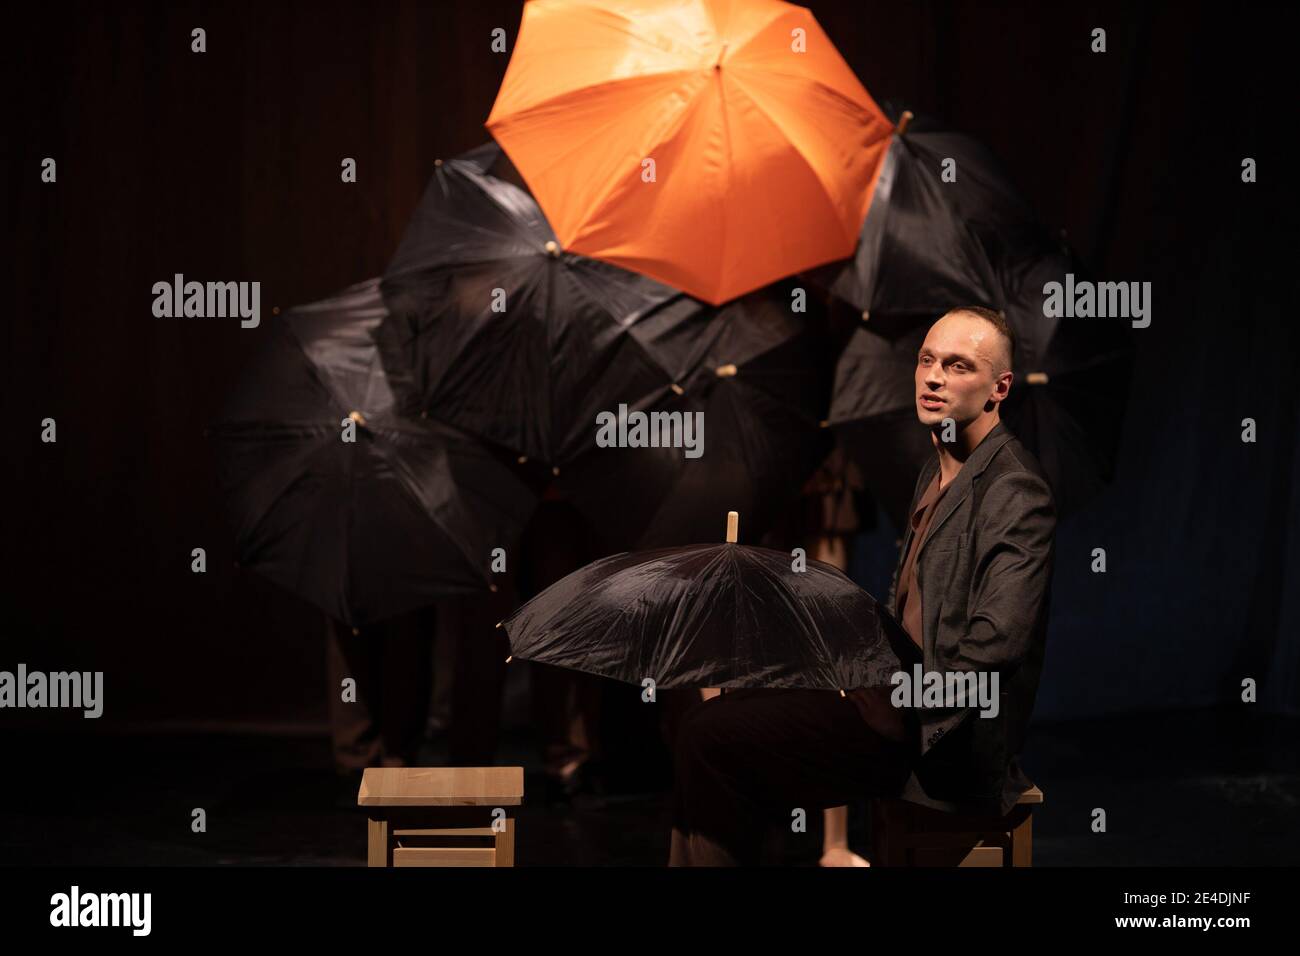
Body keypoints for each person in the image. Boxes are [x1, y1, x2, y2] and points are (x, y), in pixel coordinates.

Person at [668, 306, 1057, 866]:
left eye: (957, 366)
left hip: (945, 740)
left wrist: (900, 704)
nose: (933, 377)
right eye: (926, 361)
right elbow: (911, 617)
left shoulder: (1015, 490)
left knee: (715, 742)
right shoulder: (936, 469)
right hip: (895, 709)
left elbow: (995, 649)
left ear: (999, 387)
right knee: (716, 720)